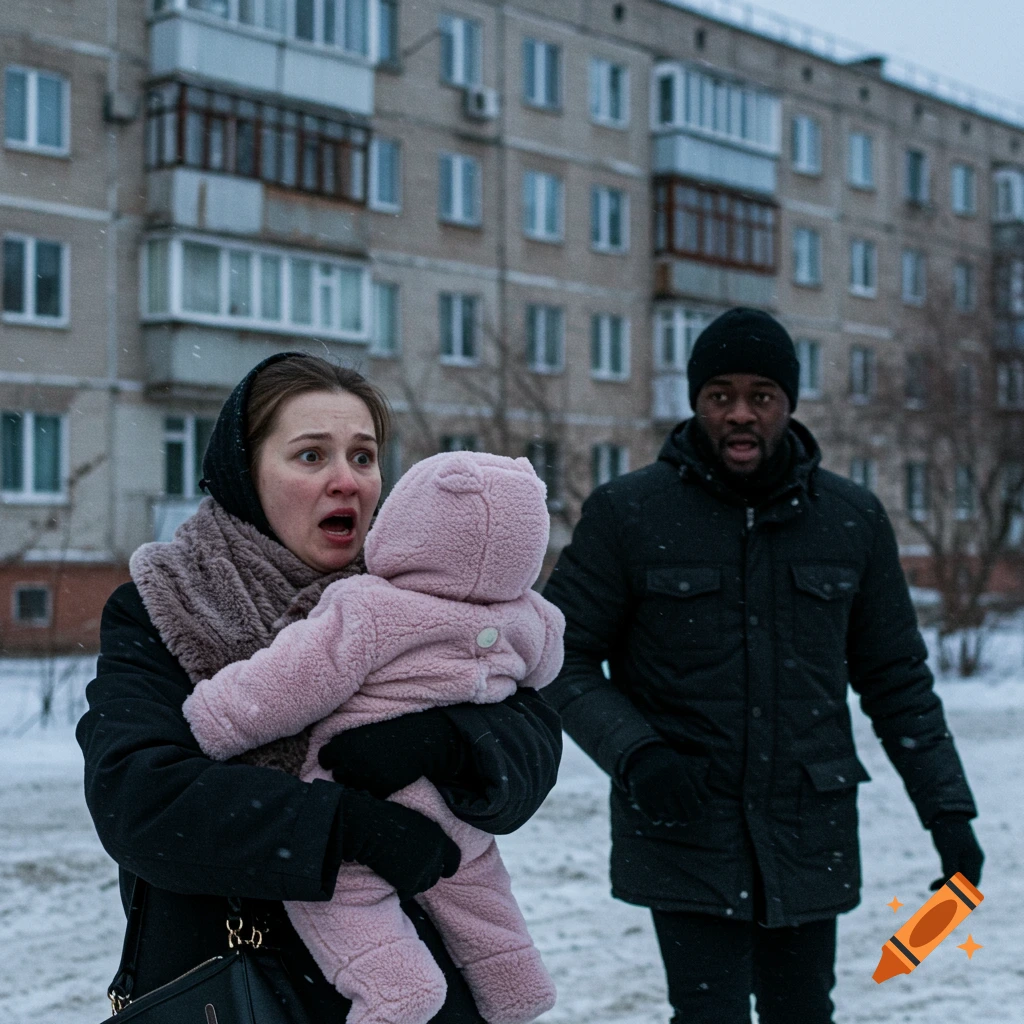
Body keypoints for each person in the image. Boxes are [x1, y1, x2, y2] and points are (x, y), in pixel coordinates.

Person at [76, 352, 562, 1022]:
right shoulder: (165, 606)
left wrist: (449, 742)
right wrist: (343, 827)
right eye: (311, 457)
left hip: (427, 991)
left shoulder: (430, 592)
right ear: (244, 474)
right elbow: (138, 798)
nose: (347, 482)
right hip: (235, 983)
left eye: (363, 457)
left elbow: (533, 744)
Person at [541, 307, 983, 1024]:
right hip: (684, 826)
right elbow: (557, 657)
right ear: (696, 402)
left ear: (788, 403)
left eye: (760, 397)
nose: (740, 415)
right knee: (708, 1016)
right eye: (721, 396)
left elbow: (898, 681)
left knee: (803, 1014)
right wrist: (637, 753)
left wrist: (949, 815)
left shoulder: (851, 520)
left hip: (809, 827)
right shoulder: (630, 514)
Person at [181, 451, 563, 1024]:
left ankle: (397, 998)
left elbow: (290, 682)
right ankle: (517, 985)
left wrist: (215, 716)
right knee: (484, 908)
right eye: (311, 454)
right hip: (460, 823)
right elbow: (543, 677)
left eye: (363, 455)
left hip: (352, 808)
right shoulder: (532, 618)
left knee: (369, 938)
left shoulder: (369, 608)